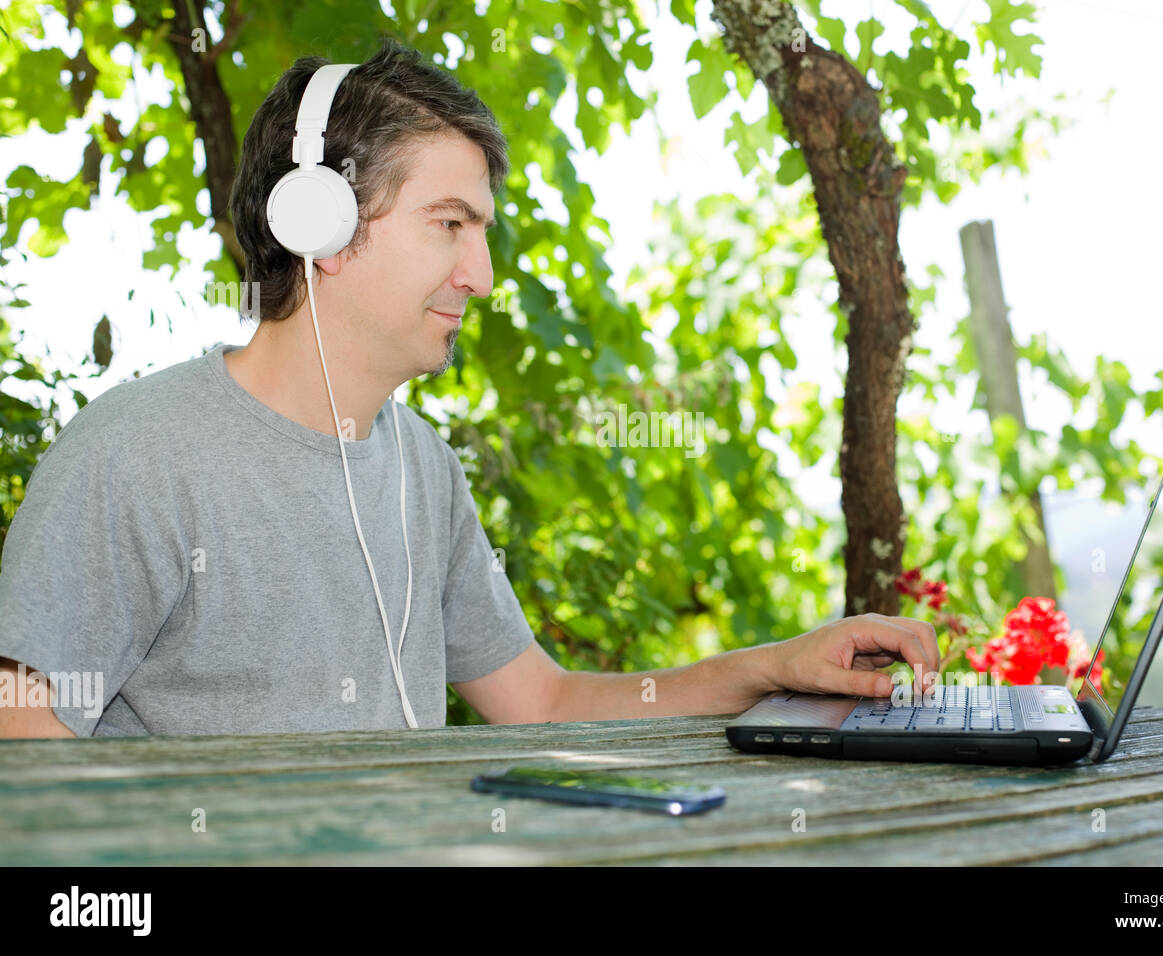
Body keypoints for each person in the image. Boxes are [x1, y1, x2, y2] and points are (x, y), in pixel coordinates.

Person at [0, 39, 936, 738]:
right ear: (319, 221)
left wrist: (774, 667)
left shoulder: (424, 469)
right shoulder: (137, 456)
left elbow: (543, 700)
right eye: (450, 224)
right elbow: (21, 739)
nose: (480, 276)